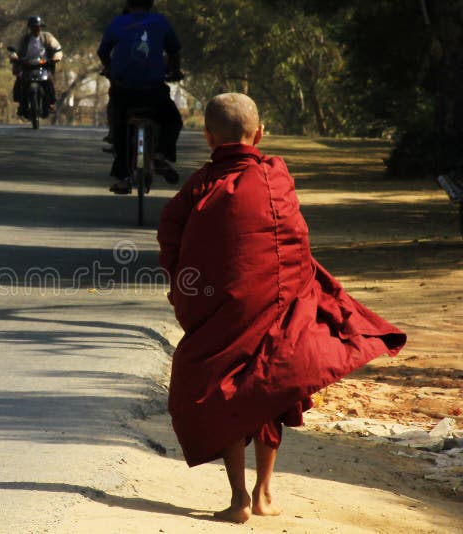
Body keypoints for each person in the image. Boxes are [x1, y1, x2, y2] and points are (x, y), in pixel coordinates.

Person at [157, 93, 407, 523]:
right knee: (271, 382)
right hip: (278, 303)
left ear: (208, 137)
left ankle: (238, 500)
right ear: (261, 133)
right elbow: (295, 240)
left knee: (222, 384)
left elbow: (172, 241)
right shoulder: (276, 176)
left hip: (222, 311)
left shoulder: (198, 187)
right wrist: (299, 287)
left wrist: (188, 290)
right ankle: (264, 494)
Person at [97, 0, 183, 194]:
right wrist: (175, 71)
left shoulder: (117, 22)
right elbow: (174, 50)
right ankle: (161, 154)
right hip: (154, 91)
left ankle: (124, 178)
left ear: (128, 3)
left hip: (124, 91)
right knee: (173, 120)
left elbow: (103, 52)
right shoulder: (161, 21)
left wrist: (111, 69)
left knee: (119, 131)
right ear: (151, 3)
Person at [10, 16, 62, 115]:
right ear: (30, 27)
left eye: (38, 27)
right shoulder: (25, 39)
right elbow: (16, 50)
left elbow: (57, 49)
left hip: (43, 64)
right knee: (20, 80)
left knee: (49, 81)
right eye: (34, 27)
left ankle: (51, 103)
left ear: (41, 27)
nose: (36, 29)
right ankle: (21, 104)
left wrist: (56, 57)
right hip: (27, 65)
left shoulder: (47, 37)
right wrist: (14, 56)